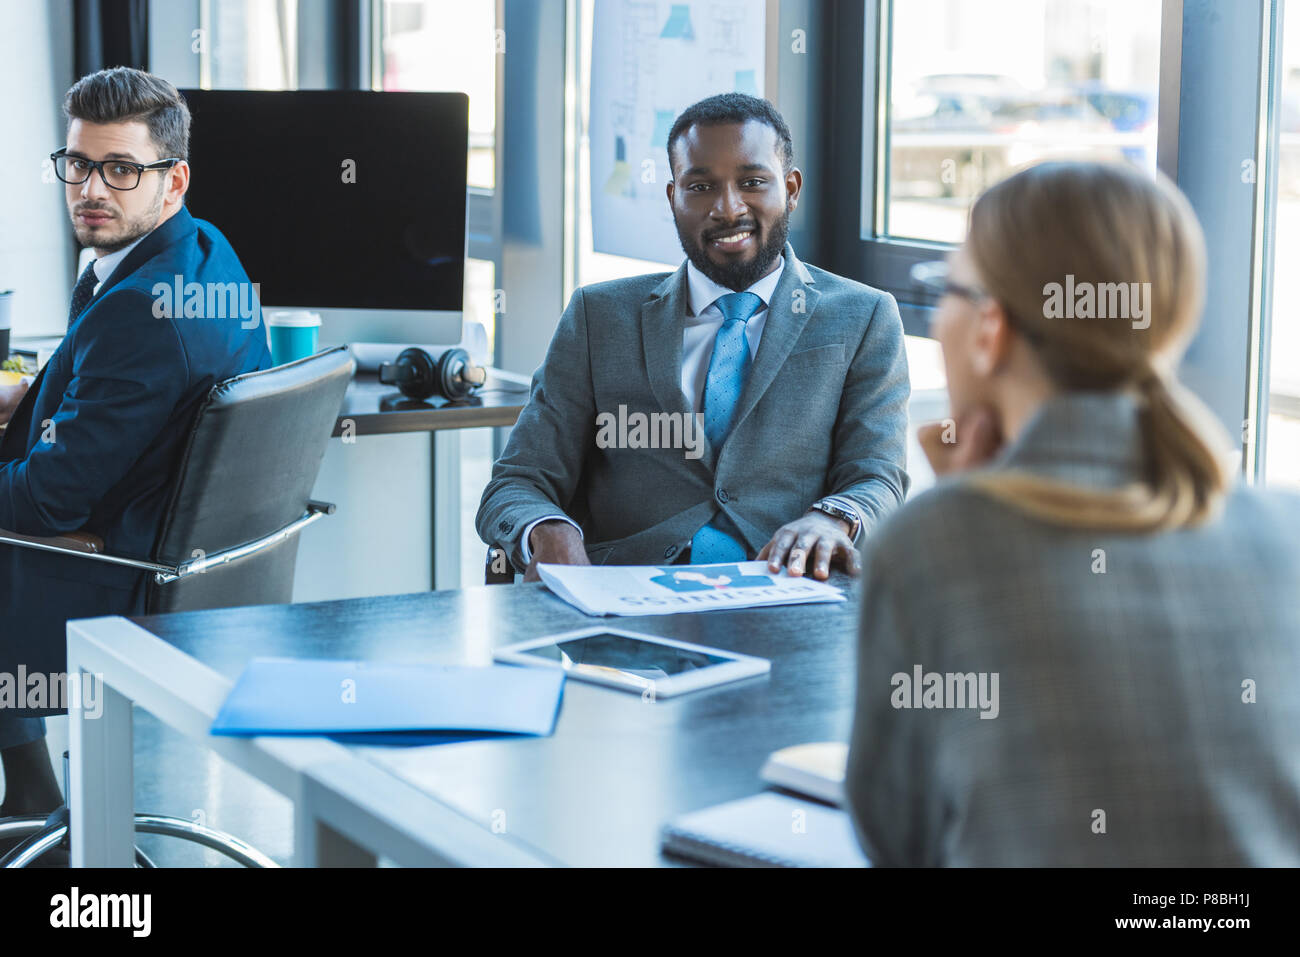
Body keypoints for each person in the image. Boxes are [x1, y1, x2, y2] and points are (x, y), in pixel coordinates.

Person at [845, 161, 1300, 866]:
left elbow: (903, 841)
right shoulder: (1285, 526)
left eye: (947, 291)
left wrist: (961, 512)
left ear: (990, 327)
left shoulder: (929, 547)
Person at [477, 93, 910, 583]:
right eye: (701, 186)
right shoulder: (598, 317)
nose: (728, 209)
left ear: (790, 189)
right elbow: (516, 483)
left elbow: (877, 475)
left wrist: (832, 518)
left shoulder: (864, 316)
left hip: (787, 594)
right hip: (626, 612)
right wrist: (547, 528)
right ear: (672, 197)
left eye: (752, 182)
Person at [0, 67, 272, 818]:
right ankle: (31, 792)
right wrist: (30, 391)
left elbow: (46, 502)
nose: (92, 188)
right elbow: (108, 388)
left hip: (108, 584)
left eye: (121, 169)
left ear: (172, 180)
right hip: (182, 567)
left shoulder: (142, 316)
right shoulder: (202, 254)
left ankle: (29, 798)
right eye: (79, 164)